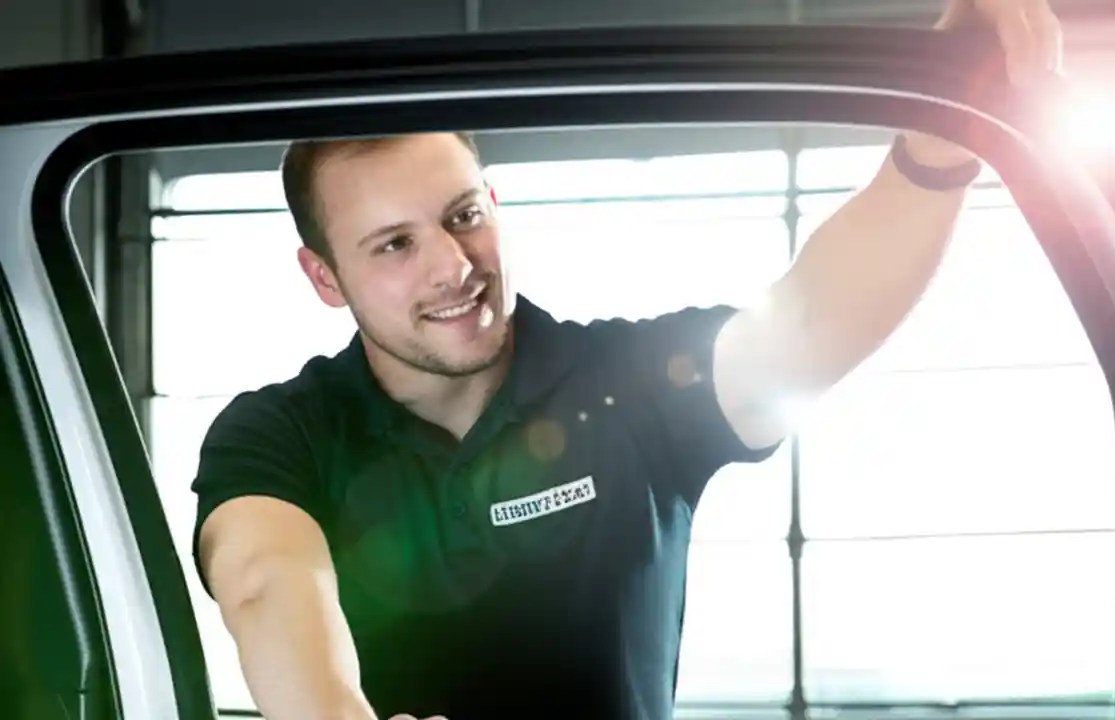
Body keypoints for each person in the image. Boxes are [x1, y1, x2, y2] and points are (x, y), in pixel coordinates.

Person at [190, 1, 1064, 718]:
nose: (453, 267)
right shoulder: (280, 431)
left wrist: (939, 146)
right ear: (323, 277)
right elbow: (267, 578)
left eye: (463, 215)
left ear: (494, 200)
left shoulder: (630, 385)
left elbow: (812, 324)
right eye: (393, 246)